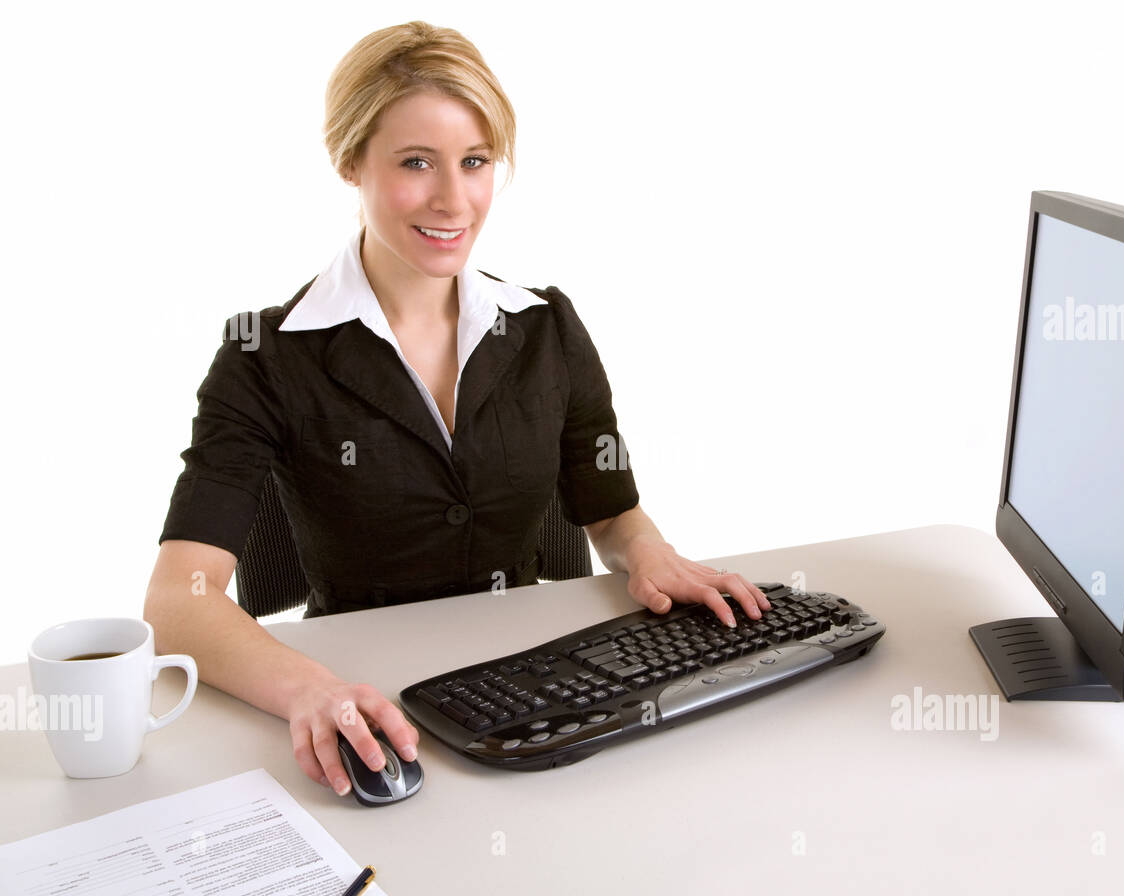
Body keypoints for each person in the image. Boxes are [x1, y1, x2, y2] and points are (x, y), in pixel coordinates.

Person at [143, 21, 770, 798]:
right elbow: (178, 599)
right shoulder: (265, 354)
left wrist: (649, 552)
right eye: (416, 162)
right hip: (367, 700)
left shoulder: (547, 326)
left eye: (475, 162)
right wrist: (308, 688)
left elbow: (610, 514)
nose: (454, 199)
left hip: (543, 692)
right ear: (349, 162)